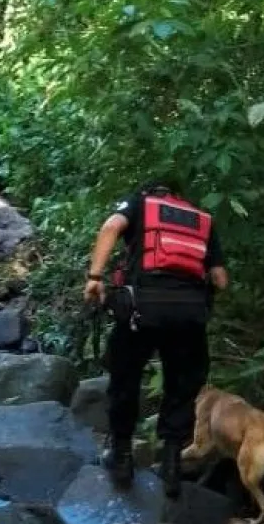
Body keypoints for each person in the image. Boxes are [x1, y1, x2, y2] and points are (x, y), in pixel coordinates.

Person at [83, 180, 228, 498]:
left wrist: (95, 278)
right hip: (189, 316)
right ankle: (172, 465)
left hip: (142, 309)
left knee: (126, 377)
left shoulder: (141, 204)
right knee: (182, 387)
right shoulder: (201, 219)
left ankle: (121, 458)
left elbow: (110, 227)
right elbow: (220, 278)